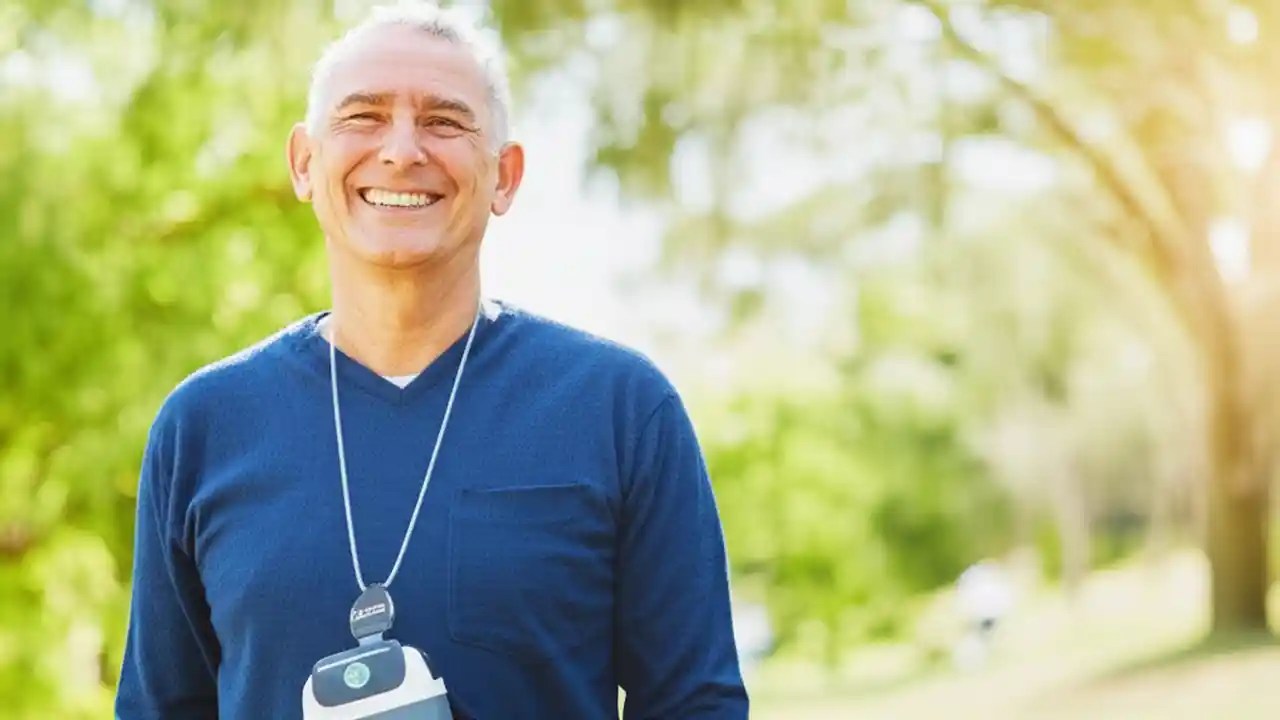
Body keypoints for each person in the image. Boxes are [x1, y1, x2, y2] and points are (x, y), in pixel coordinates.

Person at [114, 4, 748, 718]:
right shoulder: (205, 426)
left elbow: (697, 704)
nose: (402, 150)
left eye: (444, 122)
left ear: (504, 175)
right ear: (303, 163)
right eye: (363, 117)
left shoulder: (620, 410)